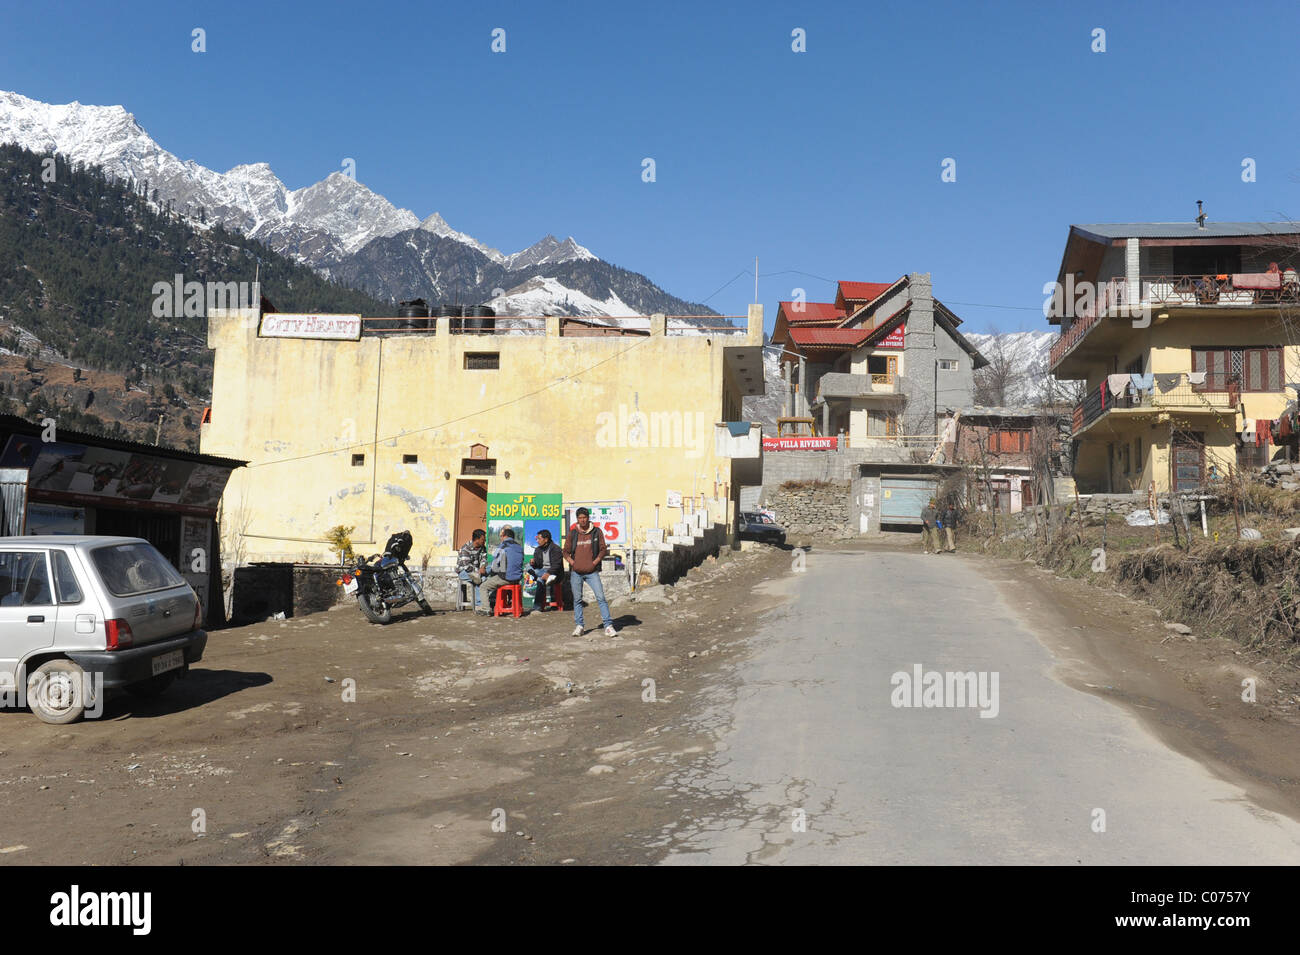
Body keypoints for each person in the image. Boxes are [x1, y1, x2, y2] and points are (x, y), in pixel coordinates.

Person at [562, 507, 617, 637]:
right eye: (580, 518)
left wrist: (594, 562)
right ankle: (579, 626)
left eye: (584, 517)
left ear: (588, 518)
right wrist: (573, 563)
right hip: (576, 573)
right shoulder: (573, 533)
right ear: (577, 519)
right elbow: (565, 551)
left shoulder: (596, 532)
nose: (582, 520)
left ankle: (608, 626)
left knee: (601, 598)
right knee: (577, 600)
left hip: (592, 572)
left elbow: (603, 549)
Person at [481, 527, 524, 614]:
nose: (500, 538)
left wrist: (491, 572)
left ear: (504, 536)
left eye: (501, 536)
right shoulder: (519, 547)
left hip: (506, 578)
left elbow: (494, 566)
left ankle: (486, 609)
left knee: (483, 586)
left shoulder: (503, 546)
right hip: (517, 578)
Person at [528, 528, 565, 612]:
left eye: (539, 539)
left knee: (539, 579)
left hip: (555, 574)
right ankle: (538, 575)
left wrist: (548, 573)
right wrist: (533, 563)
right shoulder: (538, 550)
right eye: (537, 539)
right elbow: (538, 565)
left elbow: (557, 565)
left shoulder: (556, 549)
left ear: (546, 539)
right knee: (528, 567)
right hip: (542, 571)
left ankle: (537, 607)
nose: (537, 541)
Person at [455, 529, 487, 611]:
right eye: (483, 539)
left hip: (476, 571)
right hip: (464, 572)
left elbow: (484, 559)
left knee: (489, 571)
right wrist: (479, 571)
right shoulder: (466, 548)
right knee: (480, 579)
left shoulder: (482, 548)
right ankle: (479, 605)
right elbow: (467, 567)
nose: (485, 541)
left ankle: (483, 603)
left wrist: (483, 566)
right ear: (477, 539)